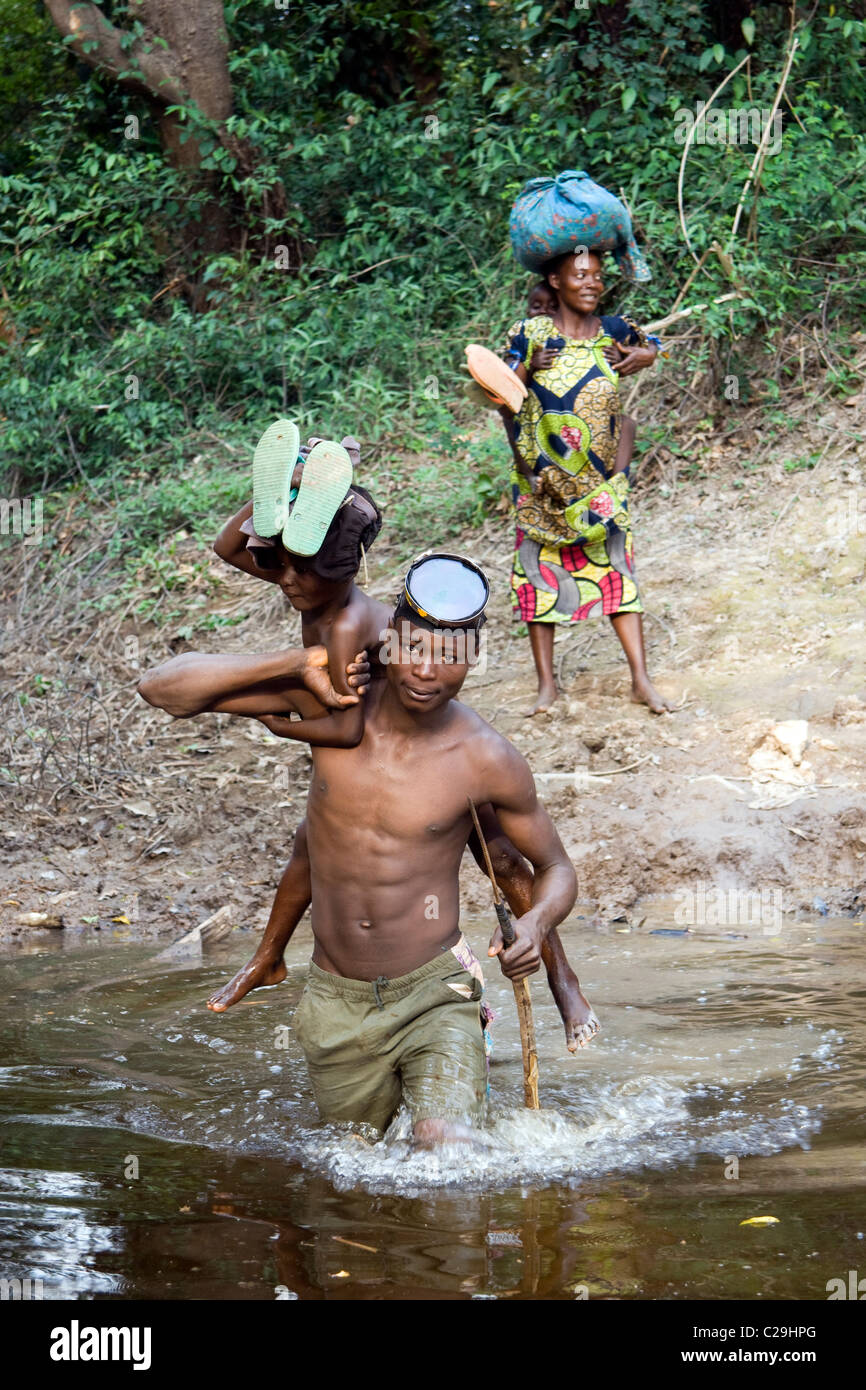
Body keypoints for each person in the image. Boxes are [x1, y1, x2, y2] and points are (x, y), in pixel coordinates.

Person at [138, 557, 579, 1143]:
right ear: (388, 642)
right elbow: (162, 689)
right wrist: (295, 663)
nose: (426, 672)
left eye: (449, 658)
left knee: (447, 1147)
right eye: (413, 649)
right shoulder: (331, 700)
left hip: (434, 990)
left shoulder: (485, 757)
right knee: (354, 1161)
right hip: (333, 997)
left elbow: (555, 868)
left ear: (473, 659)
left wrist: (536, 924)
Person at [200, 438, 599, 1051]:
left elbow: (347, 724)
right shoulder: (297, 573)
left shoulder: (356, 616)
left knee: (497, 850)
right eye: (280, 565)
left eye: (301, 568)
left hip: (412, 721)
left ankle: (561, 976)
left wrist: (283, 724)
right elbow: (232, 548)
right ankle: (270, 956)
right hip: (368, 715)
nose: (286, 584)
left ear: (337, 566)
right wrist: (276, 495)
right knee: (319, 837)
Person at [503, 249, 670, 716]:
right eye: (580, 275)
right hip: (542, 483)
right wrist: (525, 371)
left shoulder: (615, 330)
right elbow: (501, 395)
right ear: (556, 282)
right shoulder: (529, 332)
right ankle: (546, 688)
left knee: (619, 571)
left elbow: (656, 342)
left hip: (601, 483)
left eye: (597, 275)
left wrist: (646, 354)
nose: (592, 283)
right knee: (536, 577)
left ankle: (641, 680)